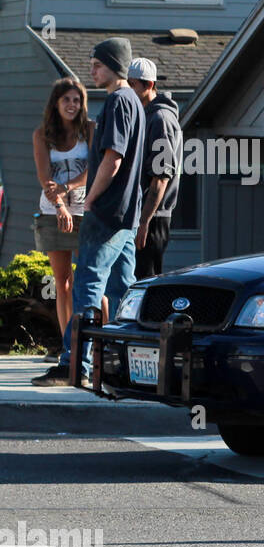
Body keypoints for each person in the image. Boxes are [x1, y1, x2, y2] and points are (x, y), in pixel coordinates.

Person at [32, 38, 146, 387]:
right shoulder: (134, 101)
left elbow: (113, 158)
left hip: (108, 212)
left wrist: (92, 198)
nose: (92, 71)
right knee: (123, 290)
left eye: (97, 65)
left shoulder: (118, 100)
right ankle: (125, 364)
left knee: (87, 287)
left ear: (114, 66)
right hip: (126, 214)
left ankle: (74, 365)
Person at [31, 77, 93, 361]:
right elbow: (45, 176)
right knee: (63, 281)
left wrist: (67, 188)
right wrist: (59, 206)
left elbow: (94, 170)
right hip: (52, 212)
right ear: (55, 103)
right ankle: (69, 344)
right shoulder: (42, 135)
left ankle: (96, 344)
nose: (72, 105)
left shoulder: (89, 130)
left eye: (76, 100)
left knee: (90, 278)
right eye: (66, 99)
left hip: (86, 211)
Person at [127, 57, 183, 279]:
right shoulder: (143, 114)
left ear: (149, 85)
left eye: (132, 84)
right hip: (140, 214)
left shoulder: (161, 119)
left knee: (145, 281)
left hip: (154, 216)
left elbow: (161, 176)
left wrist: (144, 222)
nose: (128, 89)